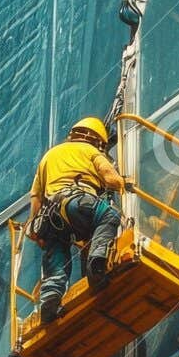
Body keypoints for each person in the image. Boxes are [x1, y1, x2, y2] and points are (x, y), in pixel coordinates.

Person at [25, 116, 133, 323]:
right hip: (77, 201)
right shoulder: (91, 152)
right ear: (97, 141)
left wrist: (35, 228)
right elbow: (110, 178)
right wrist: (123, 183)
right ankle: (96, 264)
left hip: (49, 215)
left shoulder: (49, 156)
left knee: (56, 257)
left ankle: (49, 303)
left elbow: (36, 198)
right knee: (109, 216)